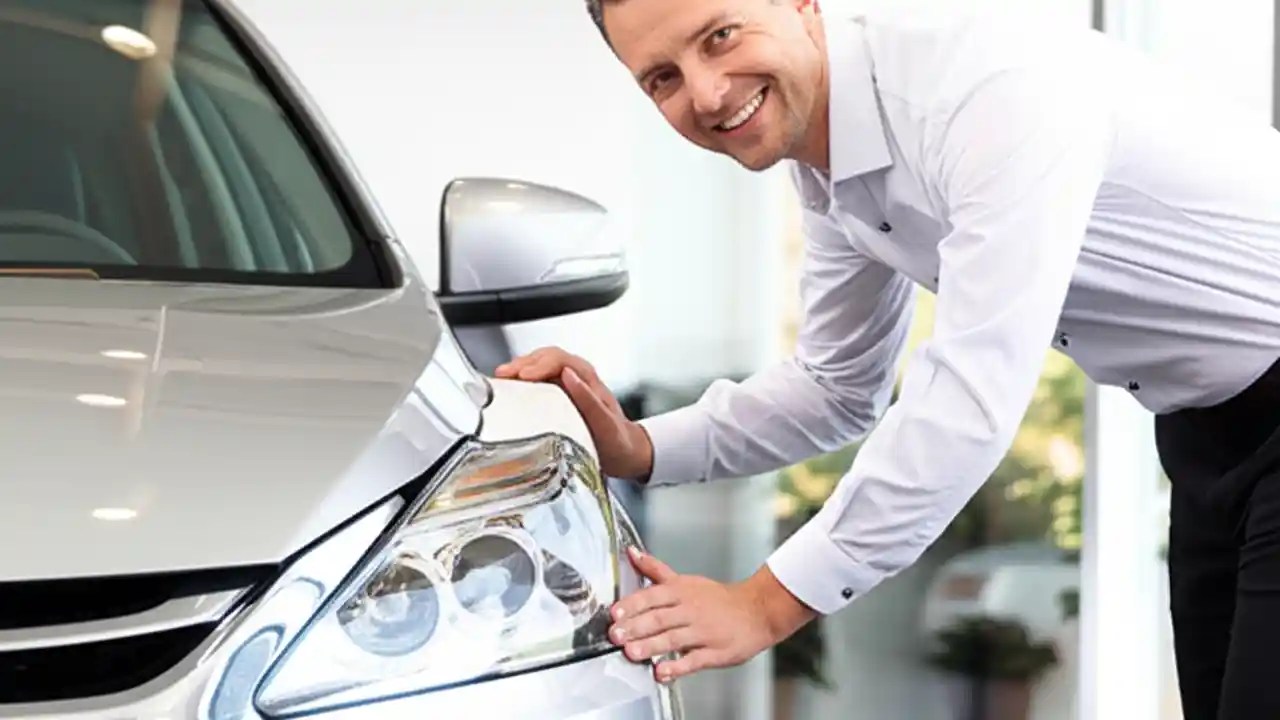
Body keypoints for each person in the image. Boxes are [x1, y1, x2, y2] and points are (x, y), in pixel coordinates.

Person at [494, 0, 1280, 716]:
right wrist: (641, 448)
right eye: (663, 78)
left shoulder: (985, 91)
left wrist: (768, 602)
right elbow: (837, 385)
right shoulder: (831, 153)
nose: (704, 94)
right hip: (1208, 435)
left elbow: (969, 400)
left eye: (721, 36)